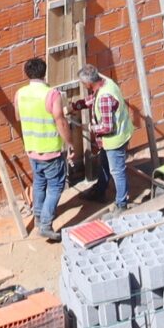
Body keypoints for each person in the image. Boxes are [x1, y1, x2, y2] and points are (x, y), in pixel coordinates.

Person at [16, 56, 69, 242]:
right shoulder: (52, 94)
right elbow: (60, 120)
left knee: (39, 183)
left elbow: (19, 116)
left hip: (32, 148)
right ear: (44, 72)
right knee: (55, 186)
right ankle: (46, 224)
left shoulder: (20, 94)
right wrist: (68, 142)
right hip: (51, 150)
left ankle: (38, 217)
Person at [80, 63, 134, 211]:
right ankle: (100, 191)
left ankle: (121, 204)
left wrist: (91, 128)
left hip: (114, 139)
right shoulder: (106, 82)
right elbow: (94, 98)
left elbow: (107, 127)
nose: (84, 86)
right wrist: (77, 106)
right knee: (104, 163)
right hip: (117, 135)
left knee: (117, 171)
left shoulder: (104, 97)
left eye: (84, 83)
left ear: (89, 83)